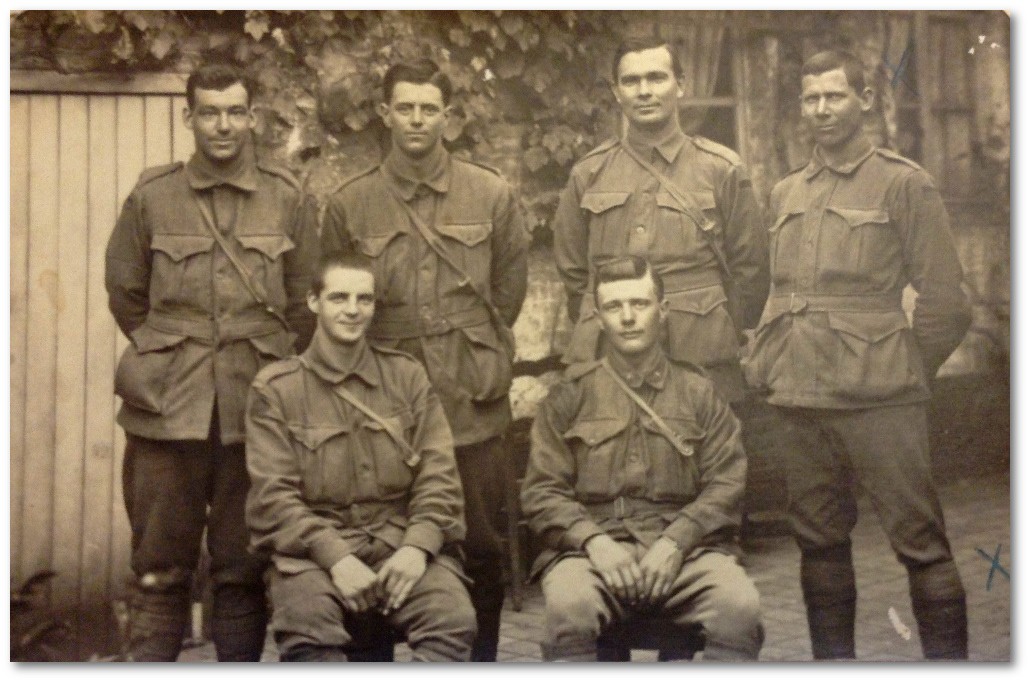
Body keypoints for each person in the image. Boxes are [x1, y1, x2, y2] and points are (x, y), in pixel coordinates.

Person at [745, 49, 972, 660]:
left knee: (920, 543)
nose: (821, 108)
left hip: (882, 401)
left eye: (835, 95)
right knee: (818, 544)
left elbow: (948, 304)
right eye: (810, 97)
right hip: (800, 398)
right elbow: (777, 291)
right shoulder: (787, 190)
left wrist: (899, 371)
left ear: (865, 100)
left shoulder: (904, 183)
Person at [317, 59, 529, 661]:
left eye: (429, 108)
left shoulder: (489, 192)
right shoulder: (351, 204)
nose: (416, 119)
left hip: (471, 399)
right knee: (376, 537)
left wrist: (472, 353)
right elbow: (335, 302)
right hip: (381, 402)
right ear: (385, 114)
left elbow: (507, 292)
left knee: (483, 546)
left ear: (448, 117)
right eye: (404, 107)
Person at [104, 61, 316, 661]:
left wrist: (267, 362)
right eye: (209, 113)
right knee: (158, 571)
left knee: (241, 570)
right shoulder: (153, 195)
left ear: (252, 117)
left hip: (256, 412)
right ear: (189, 117)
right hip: (166, 411)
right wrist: (171, 351)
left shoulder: (288, 198)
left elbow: (306, 303)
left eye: (235, 112)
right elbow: (125, 291)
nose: (223, 126)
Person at [521, 256, 763, 662]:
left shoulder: (699, 392)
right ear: (598, 318)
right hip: (592, 550)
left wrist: (676, 541)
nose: (628, 318)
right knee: (570, 607)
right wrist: (593, 541)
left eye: (640, 304)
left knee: (739, 606)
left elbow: (727, 482)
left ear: (662, 311)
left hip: (686, 550)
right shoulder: (569, 396)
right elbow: (543, 491)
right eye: (614, 308)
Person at [245, 251, 476, 662]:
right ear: (314, 302)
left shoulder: (407, 377)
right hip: (313, 556)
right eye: (339, 298)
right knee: (309, 631)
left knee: (452, 618)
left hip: (398, 540)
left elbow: (439, 475)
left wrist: (417, 547)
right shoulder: (275, 389)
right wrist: (336, 557)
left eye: (364, 300)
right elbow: (273, 498)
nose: (353, 311)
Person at [552, 36, 768, 404]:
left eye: (656, 78)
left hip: (702, 355)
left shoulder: (720, 169)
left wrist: (716, 324)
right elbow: (573, 273)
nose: (644, 91)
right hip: (611, 356)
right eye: (631, 81)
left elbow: (751, 271)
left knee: (710, 452)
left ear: (681, 85)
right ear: (617, 92)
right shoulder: (589, 173)